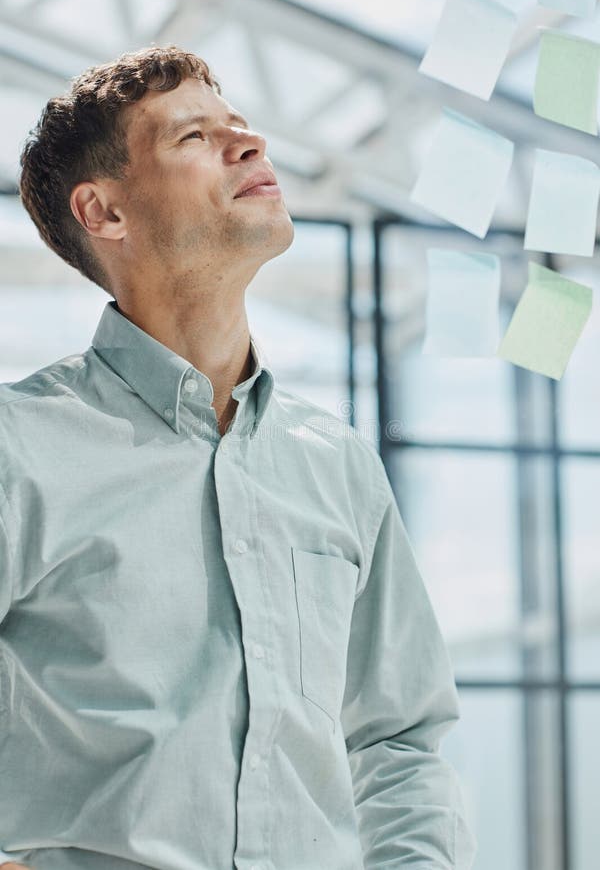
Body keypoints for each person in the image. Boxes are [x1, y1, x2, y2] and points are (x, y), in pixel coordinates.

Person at [0, 44, 477, 870]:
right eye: (192, 138)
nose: (251, 145)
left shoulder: (336, 464)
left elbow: (399, 740)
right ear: (104, 212)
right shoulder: (20, 447)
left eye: (241, 129)